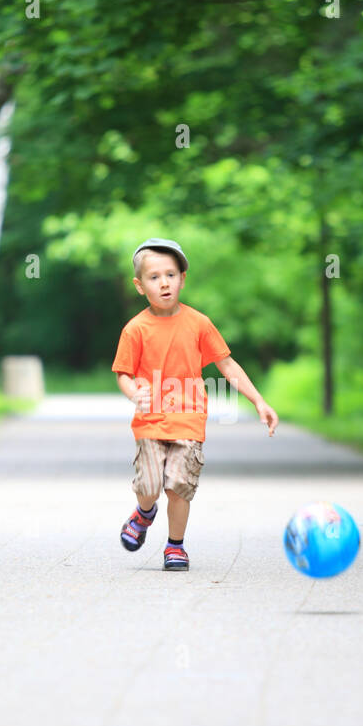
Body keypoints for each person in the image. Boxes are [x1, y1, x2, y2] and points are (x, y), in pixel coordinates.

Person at [111, 237, 279, 571]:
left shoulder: (198, 323)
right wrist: (134, 394)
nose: (164, 283)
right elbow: (123, 374)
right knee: (149, 486)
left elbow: (227, 365)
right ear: (140, 285)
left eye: (171, 275)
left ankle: (175, 547)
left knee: (179, 486)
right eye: (154, 277)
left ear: (183, 278)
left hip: (189, 420)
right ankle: (144, 513)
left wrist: (258, 400)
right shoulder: (135, 330)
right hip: (150, 421)